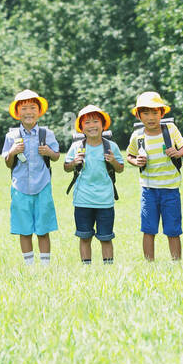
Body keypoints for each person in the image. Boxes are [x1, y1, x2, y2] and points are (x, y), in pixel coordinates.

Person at [125, 91, 183, 261]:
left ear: (162, 113)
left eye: (154, 112)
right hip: (149, 190)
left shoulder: (170, 129)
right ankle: (149, 264)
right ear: (138, 115)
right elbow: (129, 156)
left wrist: (177, 152)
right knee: (148, 229)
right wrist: (136, 161)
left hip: (171, 189)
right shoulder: (138, 136)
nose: (150, 117)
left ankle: (176, 264)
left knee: (173, 230)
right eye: (145, 113)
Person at [2, 89, 60, 265]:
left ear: (39, 111)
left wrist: (49, 152)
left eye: (33, 108)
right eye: (24, 108)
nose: (28, 112)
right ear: (17, 113)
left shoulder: (46, 134)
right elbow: (8, 162)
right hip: (20, 187)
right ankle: (29, 265)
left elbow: (56, 156)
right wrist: (12, 152)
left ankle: (45, 265)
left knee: (43, 228)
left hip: (42, 185)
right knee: (24, 229)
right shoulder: (11, 136)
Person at [64, 105, 124, 264]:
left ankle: (108, 267)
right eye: (87, 123)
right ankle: (86, 267)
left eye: (95, 121)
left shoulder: (111, 147)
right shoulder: (77, 147)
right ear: (81, 128)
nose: (92, 125)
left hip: (105, 200)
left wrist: (113, 161)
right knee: (84, 236)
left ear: (103, 125)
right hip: (83, 199)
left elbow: (120, 169)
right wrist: (74, 163)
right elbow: (66, 166)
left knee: (106, 237)